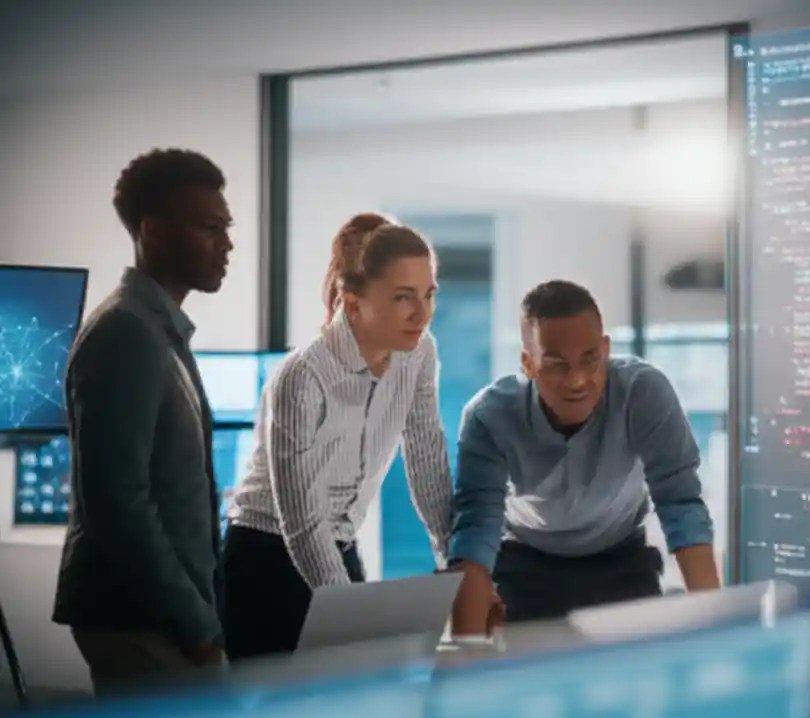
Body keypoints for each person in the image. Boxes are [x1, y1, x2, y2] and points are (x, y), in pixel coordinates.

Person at [220, 215, 453, 660]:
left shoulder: (420, 353)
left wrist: (454, 564)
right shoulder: (303, 376)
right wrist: (350, 616)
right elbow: (302, 522)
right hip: (264, 555)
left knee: (354, 687)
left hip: (340, 542)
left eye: (428, 295)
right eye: (403, 297)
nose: (422, 314)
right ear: (353, 303)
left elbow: (427, 461)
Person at [53, 148, 234, 694]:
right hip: (140, 618)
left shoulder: (156, 327)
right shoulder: (125, 332)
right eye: (210, 229)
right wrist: (196, 626)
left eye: (226, 228)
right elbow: (118, 503)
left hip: (165, 616)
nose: (227, 245)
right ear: (153, 232)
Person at [448, 280, 721, 635]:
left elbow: (680, 502)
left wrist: (716, 625)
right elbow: (476, 529)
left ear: (606, 350)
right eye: (556, 364)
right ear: (528, 364)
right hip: (524, 564)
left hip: (621, 559)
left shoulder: (643, 392)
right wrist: (466, 648)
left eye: (590, 359)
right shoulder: (489, 416)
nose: (577, 380)